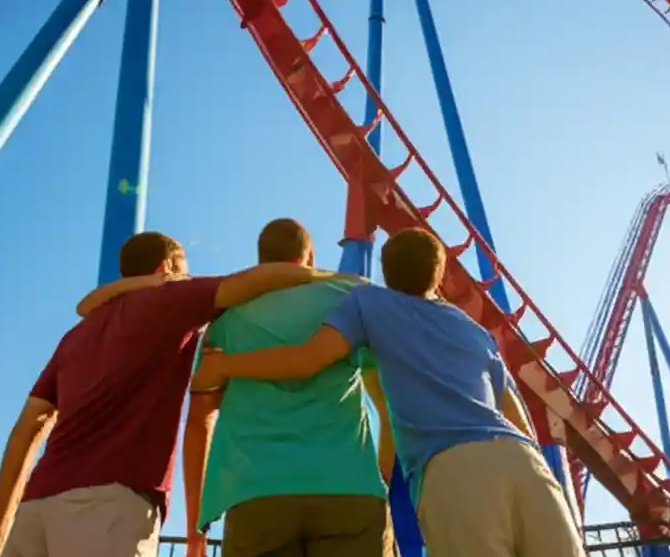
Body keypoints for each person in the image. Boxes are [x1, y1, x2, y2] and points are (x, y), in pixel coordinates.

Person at [193, 227, 584, 557]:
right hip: (520, 460)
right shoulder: (471, 329)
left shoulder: (366, 304)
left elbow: (306, 360)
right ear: (441, 273)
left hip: (448, 467)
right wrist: (381, 471)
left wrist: (224, 366)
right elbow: (513, 410)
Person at [0, 231, 344, 557]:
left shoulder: (75, 336)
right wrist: (335, 279)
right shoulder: (167, 300)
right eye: (183, 268)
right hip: (108, 505)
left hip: (33, 510)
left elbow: (26, 430)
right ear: (166, 266)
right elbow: (253, 280)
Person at [176, 218, 398, 557]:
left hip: (256, 496)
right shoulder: (348, 297)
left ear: (262, 262)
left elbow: (199, 423)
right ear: (309, 257)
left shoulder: (226, 323)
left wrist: (195, 529)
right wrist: (380, 475)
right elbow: (390, 404)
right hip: (350, 488)